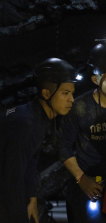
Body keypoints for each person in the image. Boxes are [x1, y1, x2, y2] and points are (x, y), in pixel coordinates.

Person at [59, 41, 106, 223]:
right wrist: (82, 179)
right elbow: (63, 147)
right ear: (96, 80)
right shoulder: (79, 107)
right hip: (90, 179)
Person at [0, 58, 76, 223]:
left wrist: (32, 198)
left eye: (72, 93)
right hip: (6, 191)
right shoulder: (27, 125)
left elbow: (31, 159)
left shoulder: (38, 115)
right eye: (65, 93)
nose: (72, 99)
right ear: (46, 93)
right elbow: (11, 181)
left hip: (13, 182)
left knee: (58, 199)